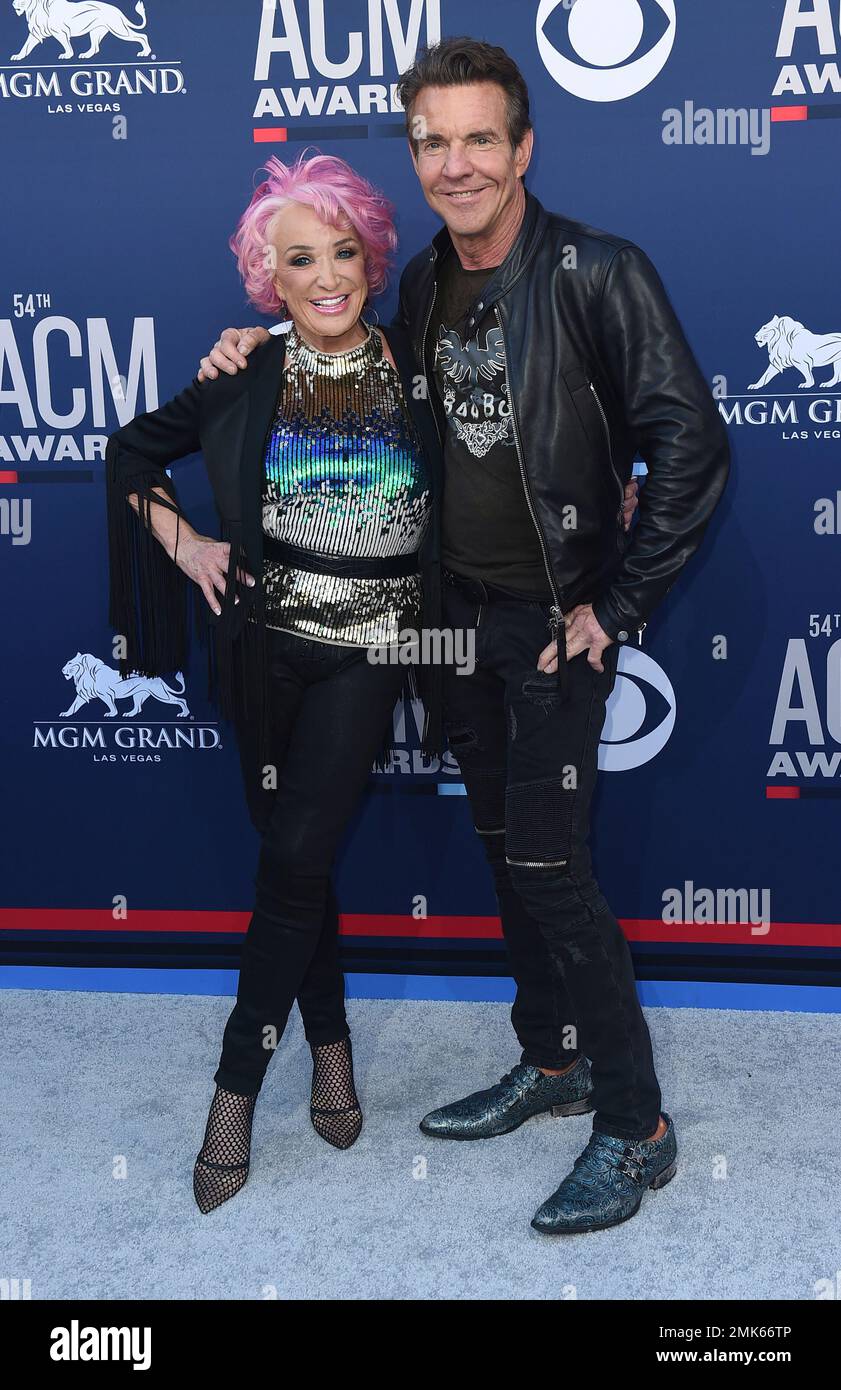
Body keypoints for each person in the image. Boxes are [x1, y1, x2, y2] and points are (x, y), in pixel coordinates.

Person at [198, 37, 730, 1235]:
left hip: (552, 630)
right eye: (432, 139)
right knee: (502, 852)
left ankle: (635, 1124)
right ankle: (549, 1059)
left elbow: (691, 442)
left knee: (553, 868)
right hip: (447, 630)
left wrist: (619, 605)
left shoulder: (598, 272)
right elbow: (342, 371)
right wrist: (240, 362)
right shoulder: (423, 283)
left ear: (523, 146)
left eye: (478, 136)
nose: (455, 161)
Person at [105, 151, 443, 1213]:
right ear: (270, 275)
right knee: (294, 862)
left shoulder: (418, 364)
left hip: (370, 651)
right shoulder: (244, 367)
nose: (328, 274)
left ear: (372, 257)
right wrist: (187, 544)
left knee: (297, 857)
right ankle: (332, 1043)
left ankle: (234, 1093)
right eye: (302, 258)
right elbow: (128, 455)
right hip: (258, 648)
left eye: (345, 250)